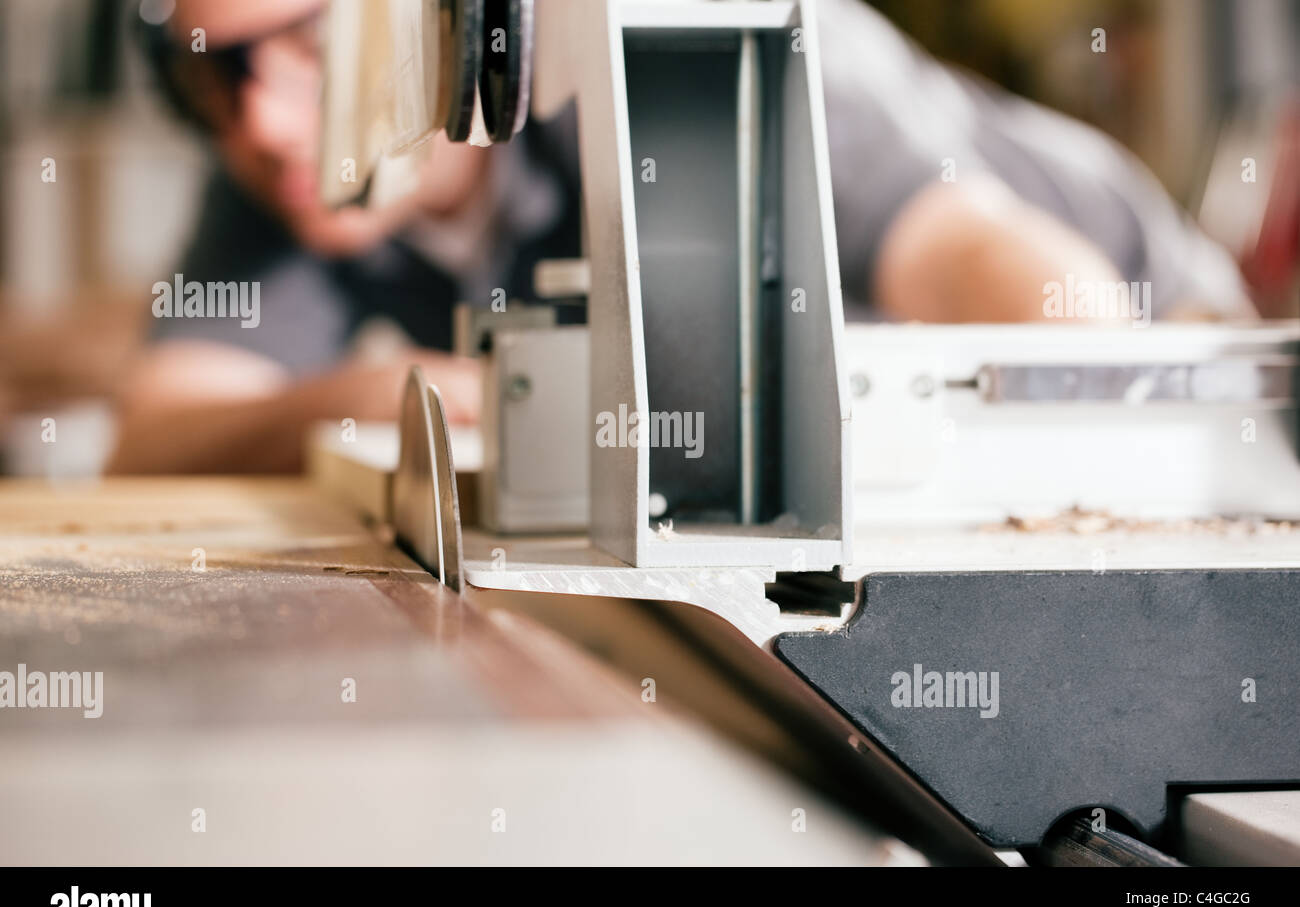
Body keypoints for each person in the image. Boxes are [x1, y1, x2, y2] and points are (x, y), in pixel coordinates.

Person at [107, 0, 1254, 474]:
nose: (258, 118)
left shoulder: (674, 44)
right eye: (218, 75)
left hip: (1182, 351)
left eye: (309, 42)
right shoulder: (288, 165)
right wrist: (364, 396)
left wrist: (1103, 416)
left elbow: (993, 268)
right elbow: (155, 431)